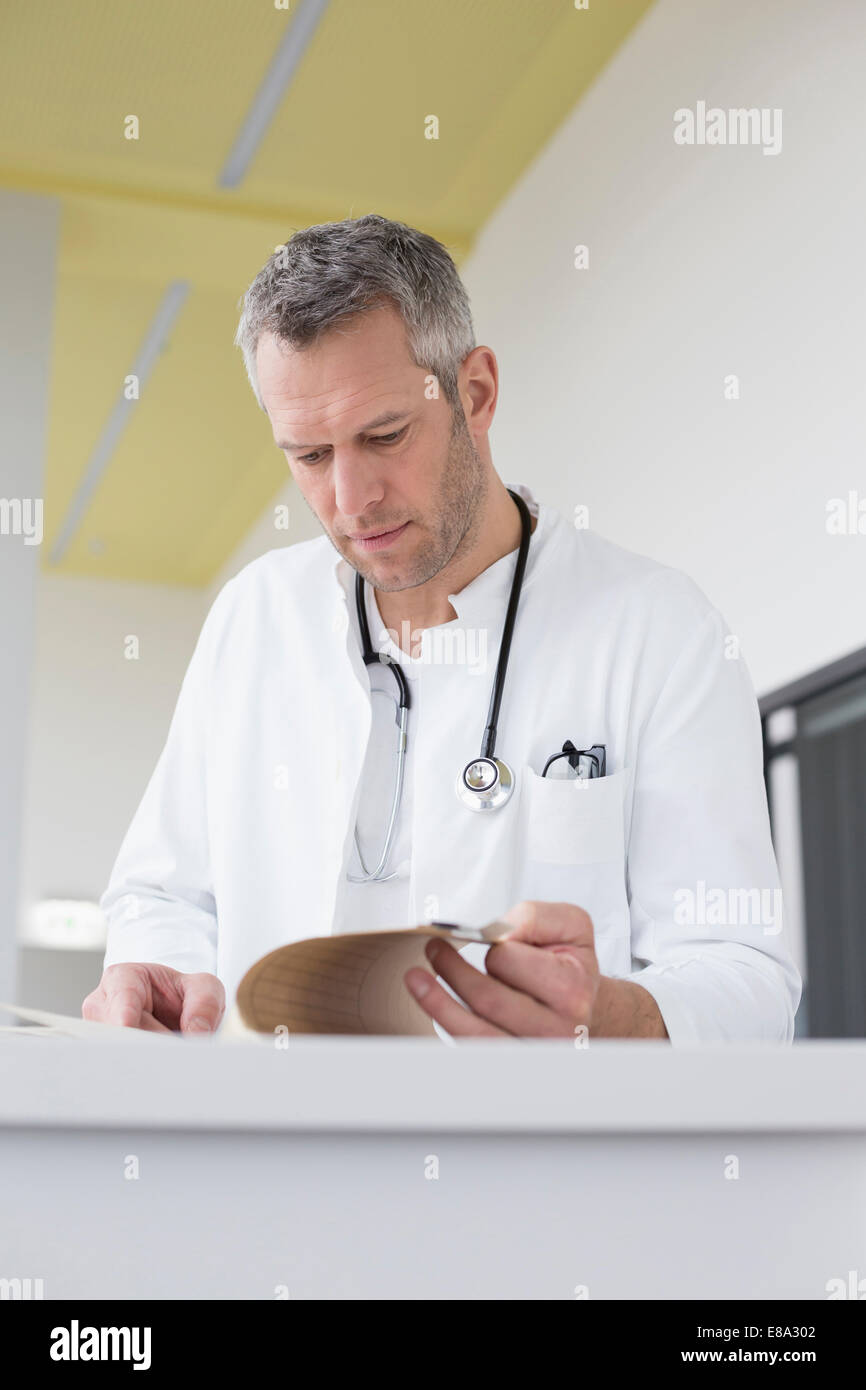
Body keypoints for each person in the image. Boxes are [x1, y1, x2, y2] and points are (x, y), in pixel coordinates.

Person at [83, 214, 801, 1042]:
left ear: (476, 392)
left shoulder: (657, 631)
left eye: (384, 436)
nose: (352, 500)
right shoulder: (254, 619)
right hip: (275, 1154)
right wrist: (158, 970)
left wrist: (607, 1017)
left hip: (529, 1162)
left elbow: (745, 977)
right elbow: (163, 894)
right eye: (310, 457)